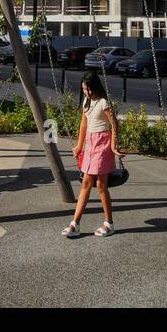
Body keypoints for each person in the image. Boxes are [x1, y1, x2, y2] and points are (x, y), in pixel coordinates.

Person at [63, 73, 123, 238]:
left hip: (102, 144)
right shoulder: (86, 101)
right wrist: (79, 145)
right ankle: (75, 224)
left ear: (95, 87)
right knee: (86, 183)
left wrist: (113, 145)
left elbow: (114, 125)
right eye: (83, 89)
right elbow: (84, 124)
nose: (87, 92)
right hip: (90, 144)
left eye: (89, 89)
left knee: (101, 185)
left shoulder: (104, 102)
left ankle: (108, 223)